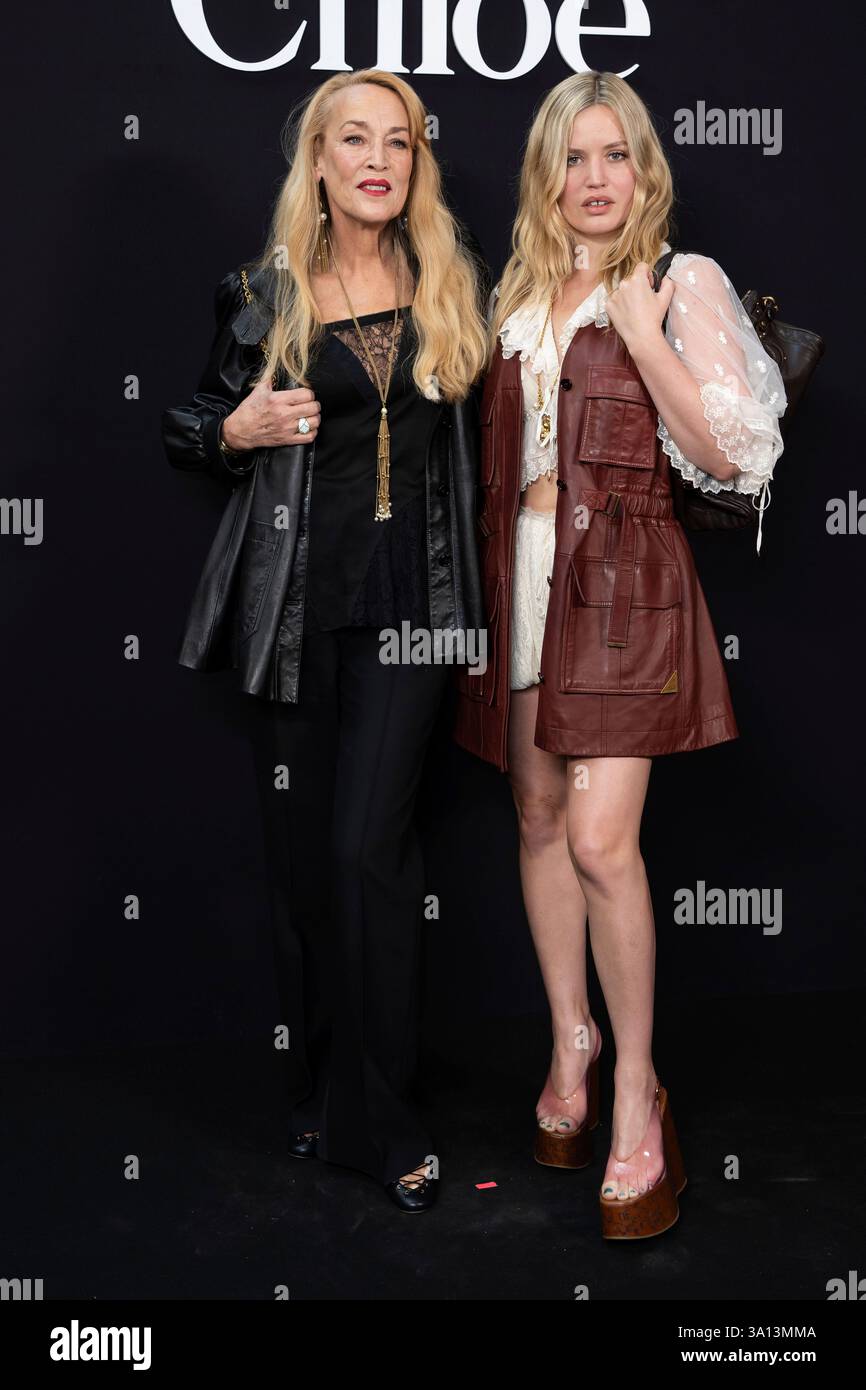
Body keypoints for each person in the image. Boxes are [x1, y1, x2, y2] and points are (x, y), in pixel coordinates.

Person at [453, 70, 786, 1238]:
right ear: (546, 174)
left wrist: (644, 338)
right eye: (574, 158)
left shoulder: (673, 281)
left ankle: (638, 1092)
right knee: (538, 821)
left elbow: (737, 459)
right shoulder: (520, 292)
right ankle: (570, 1041)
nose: (596, 180)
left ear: (645, 169)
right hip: (523, 577)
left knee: (601, 840)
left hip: (627, 588)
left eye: (617, 157)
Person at [162, 69, 488, 1212]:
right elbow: (185, 420)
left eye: (396, 142)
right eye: (353, 139)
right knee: (306, 870)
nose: (376, 160)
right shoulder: (264, 290)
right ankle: (315, 1092)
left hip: (410, 611)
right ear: (317, 159)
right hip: (297, 615)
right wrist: (234, 428)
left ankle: (385, 1118)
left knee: (369, 854)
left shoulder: (447, 279)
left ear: (413, 163)